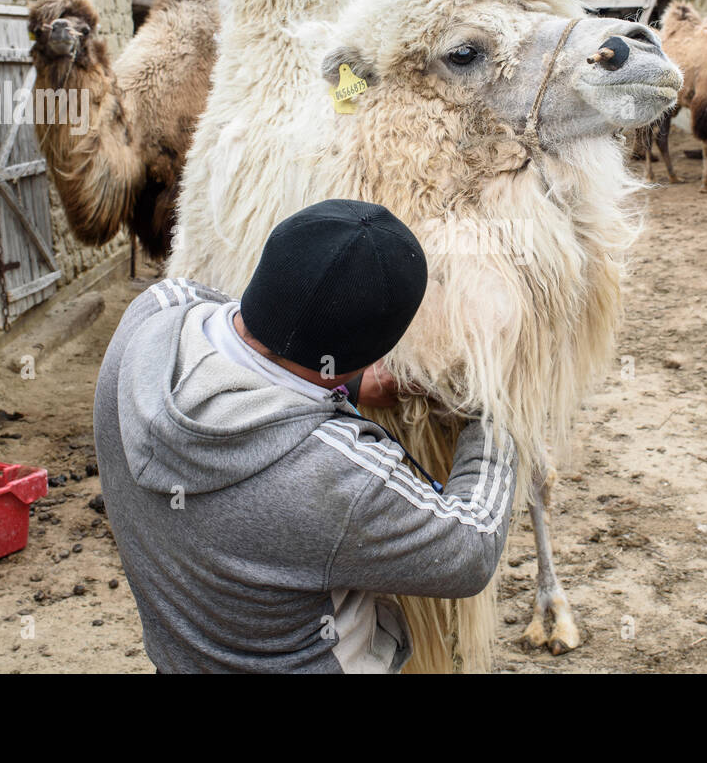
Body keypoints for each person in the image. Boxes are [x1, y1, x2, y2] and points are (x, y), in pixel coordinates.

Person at [93, 198, 517, 673]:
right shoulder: (335, 477)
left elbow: (249, 321)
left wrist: (348, 380)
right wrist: (498, 416)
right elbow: (470, 548)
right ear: (381, 351)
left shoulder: (148, 320)